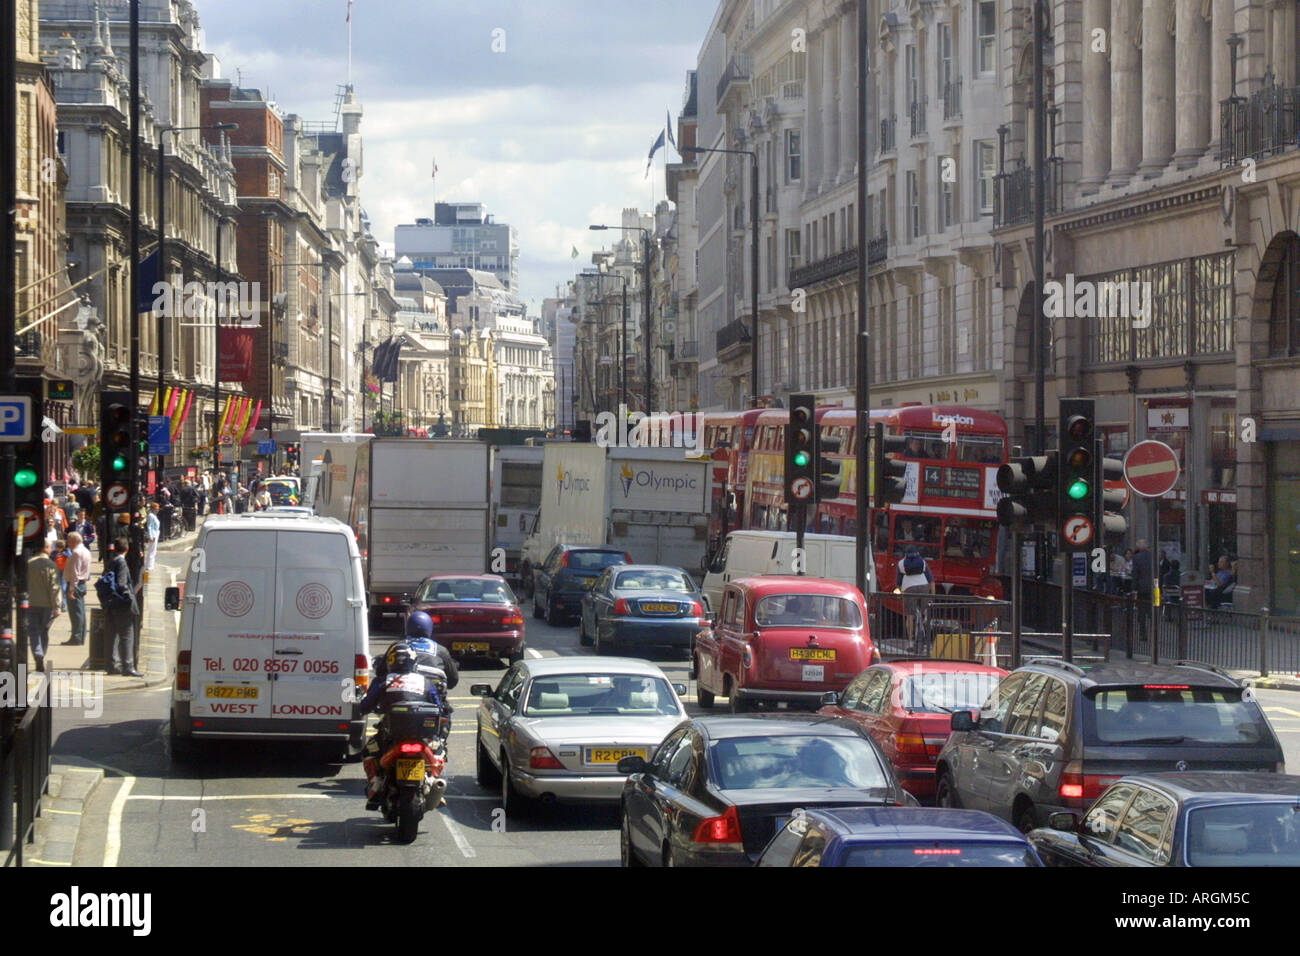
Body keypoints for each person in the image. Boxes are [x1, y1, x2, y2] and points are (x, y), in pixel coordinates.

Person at [359, 639, 453, 810]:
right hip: (422, 735)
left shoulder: (382, 681)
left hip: (392, 734)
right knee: (440, 749)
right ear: (413, 661)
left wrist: (362, 708)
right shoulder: (425, 681)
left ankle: (376, 783)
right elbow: (439, 706)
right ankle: (432, 779)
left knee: (368, 751)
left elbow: (365, 706)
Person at [101, 535, 142, 677]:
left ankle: (112, 665)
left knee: (112, 635)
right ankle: (128, 666)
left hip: (110, 604)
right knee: (126, 635)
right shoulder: (122, 563)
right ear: (127, 548)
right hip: (122, 605)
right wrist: (129, 600)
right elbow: (121, 584)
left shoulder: (111, 561)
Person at [26, 539, 62, 672]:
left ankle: (37, 654)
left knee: (33, 632)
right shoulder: (51, 565)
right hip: (46, 605)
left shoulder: (28, 563)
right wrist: (57, 606)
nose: (52, 549)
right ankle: (41, 654)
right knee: (44, 631)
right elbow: (54, 588)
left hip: (31, 603)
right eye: (50, 547)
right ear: (46, 548)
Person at [898, 547, 935, 652]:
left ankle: (910, 642)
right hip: (923, 587)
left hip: (909, 588)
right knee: (924, 608)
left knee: (910, 615)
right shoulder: (923, 562)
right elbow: (931, 580)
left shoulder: (901, 563)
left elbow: (899, 582)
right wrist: (932, 597)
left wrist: (903, 593)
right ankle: (925, 616)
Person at [61, 531, 92, 646]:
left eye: (69, 540)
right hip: (81, 583)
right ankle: (80, 636)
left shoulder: (76, 553)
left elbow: (75, 573)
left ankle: (76, 637)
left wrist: (71, 590)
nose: (67, 543)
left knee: (75, 613)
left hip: (75, 585)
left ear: (75, 541)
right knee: (80, 612)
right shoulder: (86, 551)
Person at [1132, 539, 1154, 643]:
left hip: (1142, 589)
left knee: (1141, 612)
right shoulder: (1153, 557)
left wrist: (1134, 589)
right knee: (1153, 610)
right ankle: (1155, 632)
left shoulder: (1136, 558)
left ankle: (1143, 634)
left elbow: (1135, 574)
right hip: (1154, 589)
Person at [145, 502, 161, 572]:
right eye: (156, 509)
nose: (158, 510)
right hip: (153, 534)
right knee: (151, 550)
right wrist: (151, 536)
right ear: (152, 509)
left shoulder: (154, 515)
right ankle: (149, 566)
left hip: (156, 533)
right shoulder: (151, 516)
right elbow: (149, 527)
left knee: (153, 550)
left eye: (158, 509)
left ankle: (151, 564)